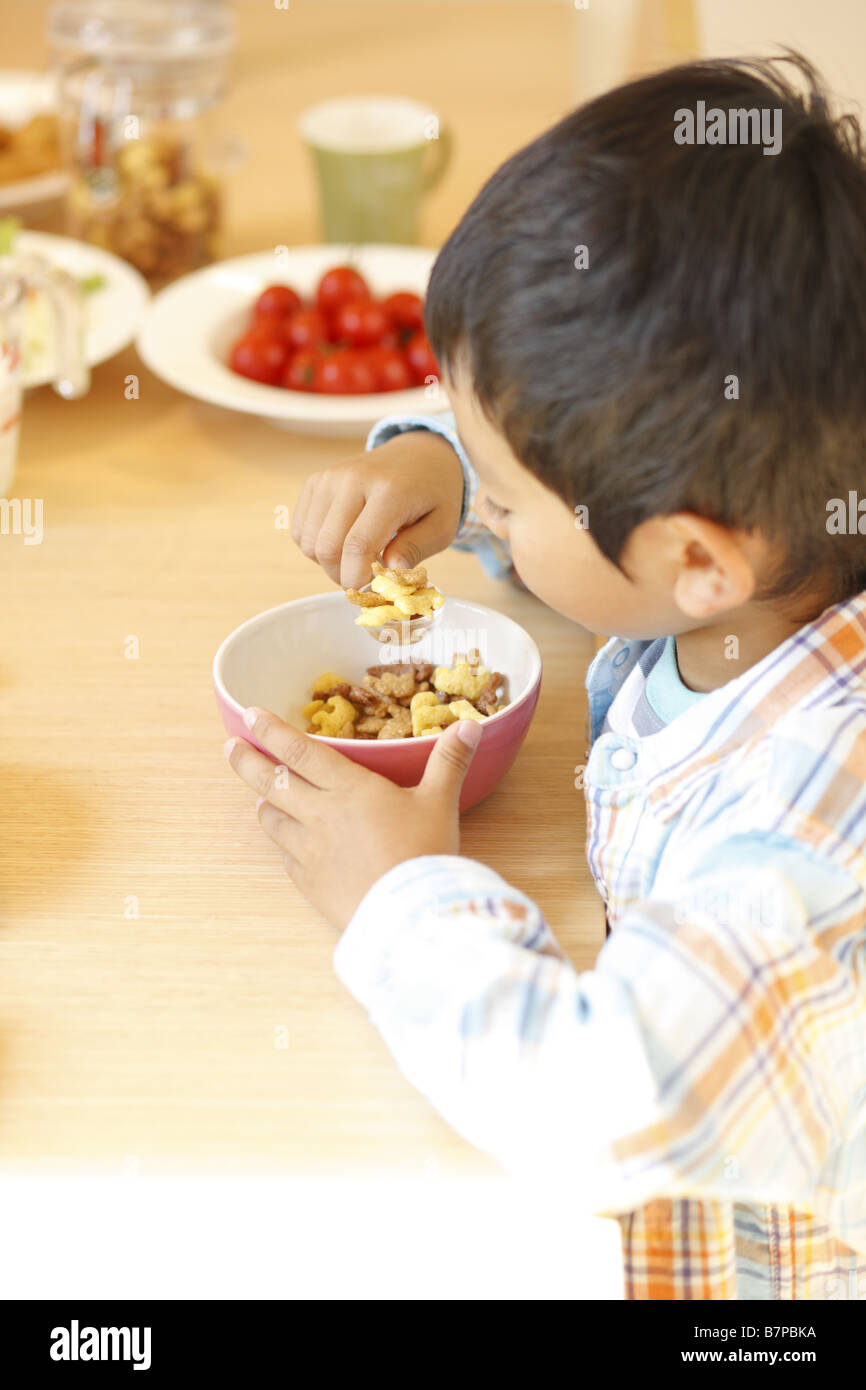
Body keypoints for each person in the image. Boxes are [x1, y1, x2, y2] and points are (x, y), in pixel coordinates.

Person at [226, 55, 866, 1300]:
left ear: (695, 558)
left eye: (502, 494)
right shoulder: (768, 552)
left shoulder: (801, 834)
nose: (490, 515)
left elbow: (597, 1106)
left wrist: (401, 893)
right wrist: (437, 471)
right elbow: (598, 538)